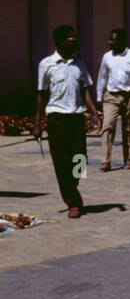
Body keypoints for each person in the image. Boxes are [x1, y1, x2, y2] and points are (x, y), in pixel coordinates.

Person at [33, 24, 100, 219]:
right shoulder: (46, 65)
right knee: (62, 162)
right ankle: (72, 202)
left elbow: (85, 89)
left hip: (77, 117)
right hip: (57, 118)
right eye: (71, 39)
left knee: (81, 160)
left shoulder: (79, 62)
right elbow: (41, 94)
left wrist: (95, 112)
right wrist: (37, 122)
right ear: (60, 42)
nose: (75, 41)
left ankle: (72, 188)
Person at [96, 28, 130, 171]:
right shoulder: (107, 57)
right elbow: (102, 77)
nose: (109, 42)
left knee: (129, 129)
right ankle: (105, 161)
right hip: (111, 96)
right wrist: (99, 97)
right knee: (107, 125)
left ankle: (129, 160)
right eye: (109, 39)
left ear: (122, 40)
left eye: (113, 39)